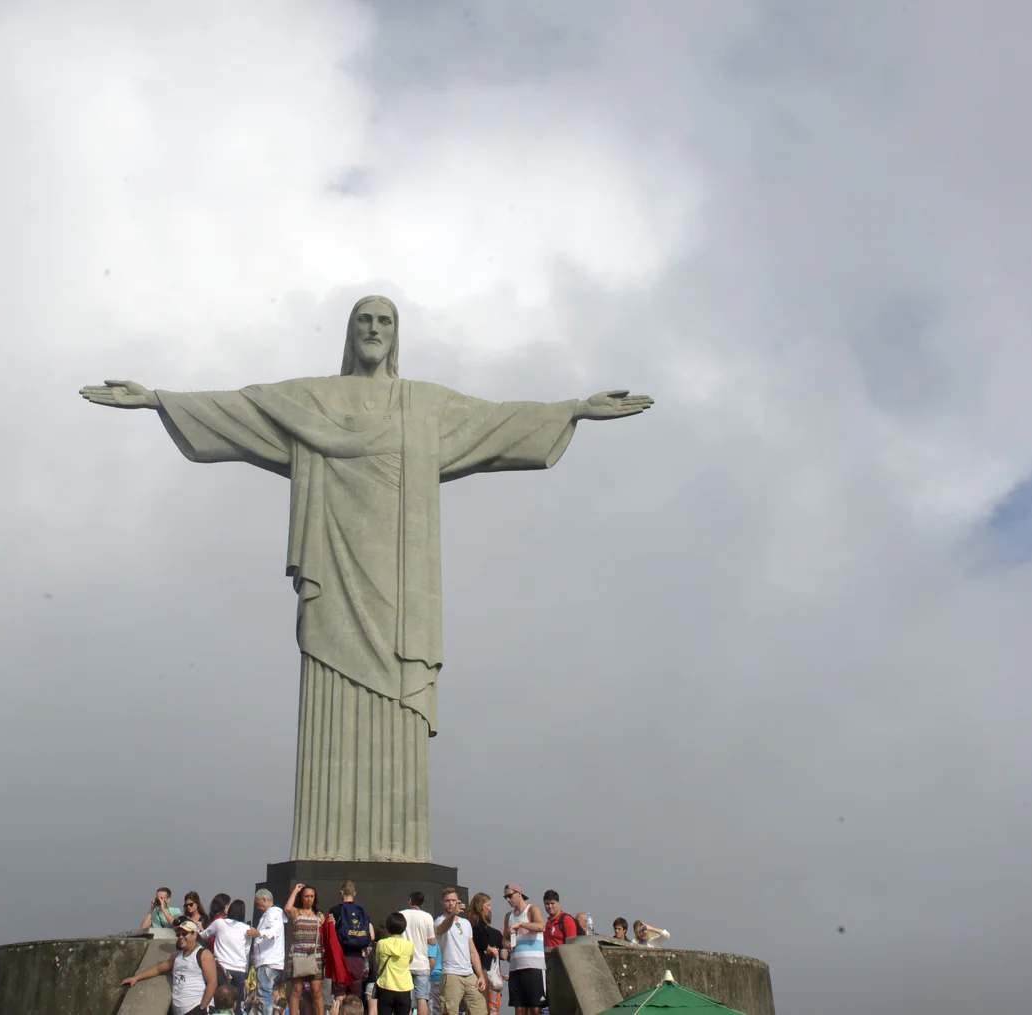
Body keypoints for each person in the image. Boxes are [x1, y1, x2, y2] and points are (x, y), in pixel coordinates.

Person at [80, 298, 652, 865]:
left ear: (396, 335)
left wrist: (575, 410)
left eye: (385, 321)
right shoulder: (313, 399)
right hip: (332, 567)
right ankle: (324, 843)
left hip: (402, 581)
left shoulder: (425, 404)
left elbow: (499, 420)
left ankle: (397, 848)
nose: (374, 330)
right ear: (349, 331)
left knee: (399, 689)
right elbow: (242, 408)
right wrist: (158, 399)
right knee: (331, 681)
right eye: (364, 320)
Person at [122, 919, 218, 1015]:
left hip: (197, 1008)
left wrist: (202, 1007)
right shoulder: (176, 956)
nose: (181, 937)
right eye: (178, 935)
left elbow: (212, 983)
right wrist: (136, 978)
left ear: (194, 935)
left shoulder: (204, 954)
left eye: (184, 934)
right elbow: (158, 969)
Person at [434, 887, 484, 1015]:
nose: (451, 903)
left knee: (480, 1009)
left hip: (469, 974)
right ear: (442, 903)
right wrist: (452, 915)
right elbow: (442, 928)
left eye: (453, 900)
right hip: (451, 973)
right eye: (447, 901)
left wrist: (480, 975)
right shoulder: (439, 920)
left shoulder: (465, 923)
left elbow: (472, 951)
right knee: (450, 1011)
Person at [329, 881, 375, 1013]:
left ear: (341, 893)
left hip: (340, 960)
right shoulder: (362, 911)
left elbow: (330, 936)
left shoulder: (335, 910)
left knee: (339, 997)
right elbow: (371, 936)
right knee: (354, 1000)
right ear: (354, 894)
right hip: (357, 960)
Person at [501, 884, 545, 1015]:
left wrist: (521, 924)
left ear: (519, 894)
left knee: (534, 1008)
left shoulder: (532, 909)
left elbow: (541, 926)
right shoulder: (508, 916)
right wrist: (506, 943)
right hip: (515, 967)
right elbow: (504, 938)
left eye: (510, 896)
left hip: (533, 966)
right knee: (519, 1008)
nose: (508, 900)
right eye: (506, 897)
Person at [204, 899, 253, 1012]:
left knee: (219, 1003)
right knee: (237, 1005)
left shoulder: (219, 923)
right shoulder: (246, 928)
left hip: (222, 968)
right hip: (239, 970)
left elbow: (205, 935)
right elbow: (246, 950)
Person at [285, 883, 326, 1015]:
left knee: (316, 991)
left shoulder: (319, 915)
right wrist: (295, 891)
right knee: (296, 990)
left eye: (311, 896)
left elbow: (325, 934)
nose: (309, 899)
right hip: (298, 955)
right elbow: (287, 908)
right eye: (306, 896)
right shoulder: (296, 912)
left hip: (315, 955)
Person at [246, 889, 286, 1015]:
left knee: (264, 994)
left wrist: (258, 933)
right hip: (268, 961)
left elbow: (274, 931)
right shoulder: (271, 913)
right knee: (264, 994)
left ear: (264, 899)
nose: (258, 908)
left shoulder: (272, 912)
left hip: (268, 961)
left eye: (258, 904)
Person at [400, 892, 437, 1015]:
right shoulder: (427, 917)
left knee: (405, 999)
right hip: (422, 963)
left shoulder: (401, 915)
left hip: (405, 963)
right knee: (422, 999)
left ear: (410, 901)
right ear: (423, 904)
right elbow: (432, 941)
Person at [371, 912, 415, 1015]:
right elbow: (410, 961)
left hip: (385, 986)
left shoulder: (381, 943)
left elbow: (378, 961)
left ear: (388, 926)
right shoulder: (409, 945)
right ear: (404, 927)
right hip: (404, 987)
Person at [466, 894, 503, 1015]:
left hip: (472, 963)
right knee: (484, 997)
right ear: (480, 905)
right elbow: (480, 942)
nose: (489, 908)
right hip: (480, 964)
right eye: (488, 905)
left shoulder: (470, 920)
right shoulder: (478, 921)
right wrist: (490, 949)